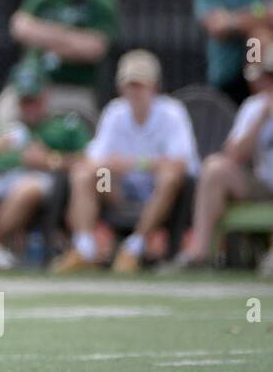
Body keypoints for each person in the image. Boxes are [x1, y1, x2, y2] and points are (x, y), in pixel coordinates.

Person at [164, 38, 273, 276]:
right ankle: (199, 252)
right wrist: (261, 118)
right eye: (272, 76)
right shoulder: (254, 106)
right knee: (214, 167)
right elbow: (232, 155)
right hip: (262, 185)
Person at [51, 50, 199, 274]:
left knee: (169, 175)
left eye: (139, 85)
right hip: (119, 192)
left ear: (154, 87)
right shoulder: (114, 112)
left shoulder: (172, 112)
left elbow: (180, 163)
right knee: (84, 174)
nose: (134, 92)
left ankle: (134, 248)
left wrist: (133, 163)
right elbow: (94, 160)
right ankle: (85, 249)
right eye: (129, 85)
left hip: (161, 194)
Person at [0, 63, 89, 270]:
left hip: (39, 180)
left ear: (46, 96)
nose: (29, 106)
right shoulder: (3, 127)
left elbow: (89, 162)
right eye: (25, 101)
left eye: (34, 100)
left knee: (27, 189)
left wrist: (49, 159)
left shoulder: (65, 125)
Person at [0, 0, 118, 125]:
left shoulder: (100, 2)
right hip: (29, 85)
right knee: (5, 118)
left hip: (72, 89)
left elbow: (93, 48)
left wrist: (43, 37)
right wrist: (69, 39)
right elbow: (20, 28)